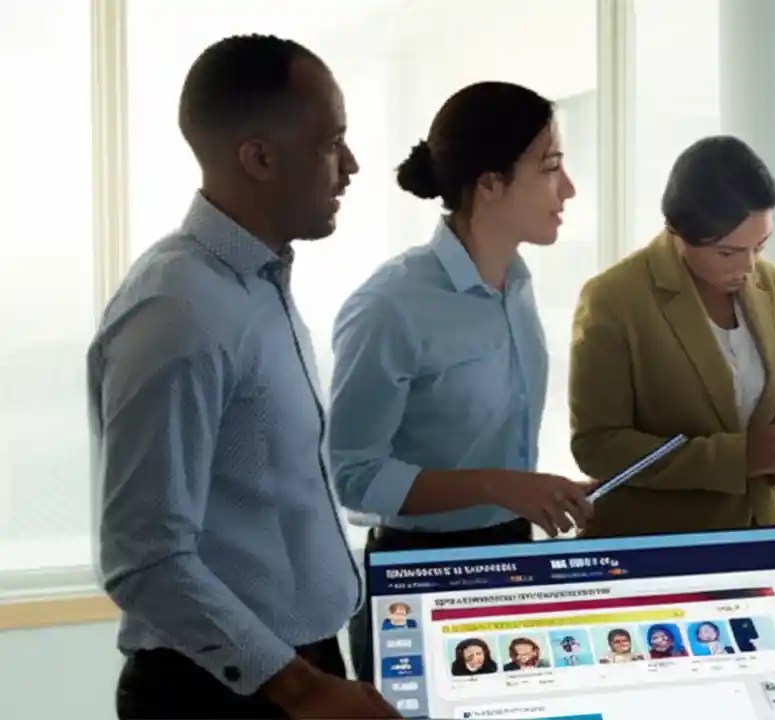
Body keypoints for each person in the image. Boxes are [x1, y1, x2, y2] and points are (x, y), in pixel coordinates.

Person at [87, 35, 397, 719]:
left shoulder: (258, 287)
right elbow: (144, 559)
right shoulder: (178, 309)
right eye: (331, 143)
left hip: (295, 669)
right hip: (224, 692)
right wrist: (301, 688)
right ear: (258, 156)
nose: (351, 166)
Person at [328, 81, 593, 682]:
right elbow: (353, 476)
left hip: (512, 556)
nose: (569, 188)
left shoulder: (517, 286)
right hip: (418, 573)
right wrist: (500, 485)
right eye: (550, 167)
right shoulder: (390, 305)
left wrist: (538, 493)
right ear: (490, 184)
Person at [569, 136, 775, 537]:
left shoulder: (769, 284)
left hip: (755, 536)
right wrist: (739, 457)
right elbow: (598, 447)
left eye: (760, 245)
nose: (748, 265)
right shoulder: (613, 298)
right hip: (656, 543)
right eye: (728, 252)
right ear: (677, 230)